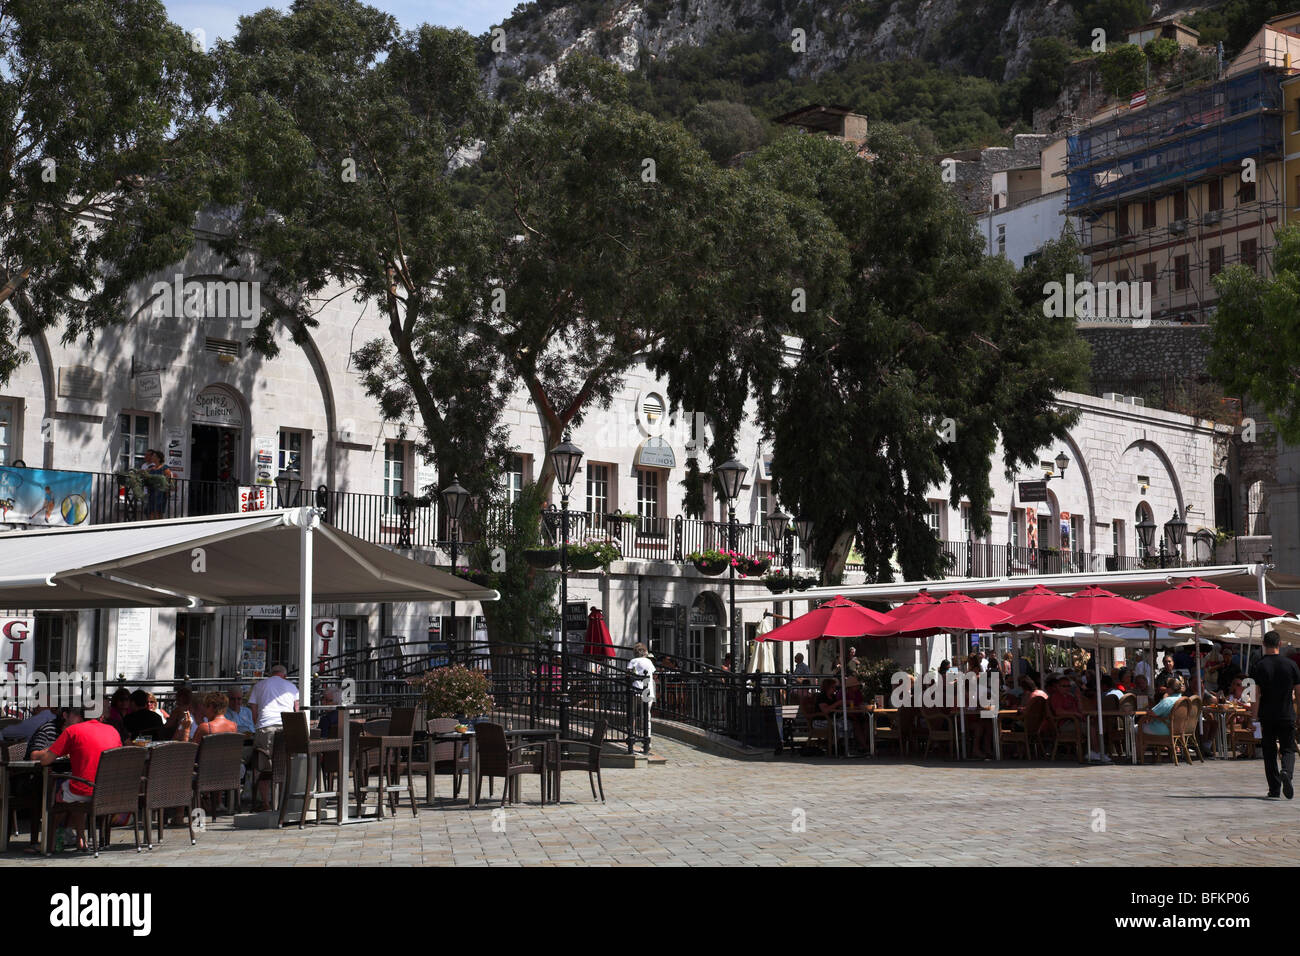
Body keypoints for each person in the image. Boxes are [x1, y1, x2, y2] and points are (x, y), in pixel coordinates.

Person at [32, 708, 122, 851]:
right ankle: (81, 838)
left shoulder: (73, 731)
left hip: (84, 790)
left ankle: (49, 841)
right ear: (101, 717)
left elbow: (46, 761)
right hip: (108, 791)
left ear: (81, 716)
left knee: (60, 792)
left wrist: (38, 754)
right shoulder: (113, 731)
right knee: (75, 788)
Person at [1249, 630, 1300, 799]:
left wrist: (1253, 718)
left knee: (1269, 752)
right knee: (1288, 749)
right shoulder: (1292, 665)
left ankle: (1274, 788)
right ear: (1280, 644)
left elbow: (1253, 695)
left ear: (1263, 644)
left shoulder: (1257, 666)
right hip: (1287, 713)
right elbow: (1299, 693)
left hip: (1267, 715)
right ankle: (1286, 771)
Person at [248, 664, 300, 809]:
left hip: (266, 725)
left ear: (271, 673)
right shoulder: (292, 687)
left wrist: (258, 725)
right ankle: (283, 801)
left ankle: (265, 803)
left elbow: (254, 709)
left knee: (262, 765)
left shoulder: (260, 685)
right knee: (284, 763)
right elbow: (297, 710)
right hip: (286, 726)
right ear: (284, 675)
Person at [627, 643, 656, 751]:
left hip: (635, 689)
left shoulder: (633, 661)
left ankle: (632, 735)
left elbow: (628, 674)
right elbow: (652, 672)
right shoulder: (649, 661)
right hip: (647, 690)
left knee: (633, 713)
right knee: (646, 716)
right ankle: (647, 738)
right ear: (645, 652)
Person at [142, 448, 174, 520]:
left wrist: (167, 491)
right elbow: (144, 475)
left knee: (158, 511)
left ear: (159, 458)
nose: (152, 457)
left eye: (154, 456)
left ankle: (158, 527)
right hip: (152, 492)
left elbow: (169, 480)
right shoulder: (151, 468)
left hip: (160, 493)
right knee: (150, 511)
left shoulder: (165, 468)